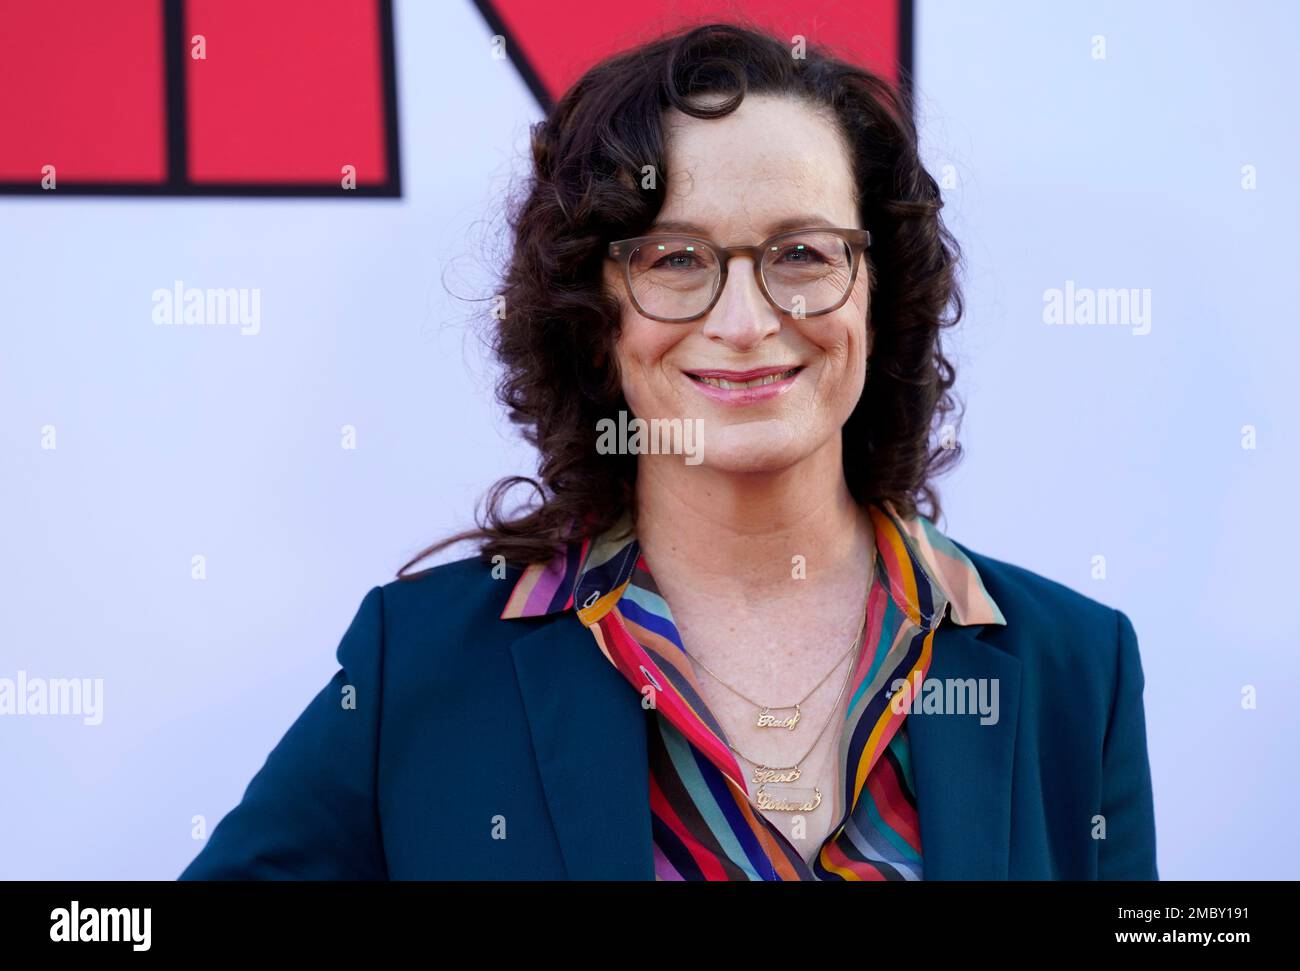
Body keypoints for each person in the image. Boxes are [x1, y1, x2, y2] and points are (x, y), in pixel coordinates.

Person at [180, 22, 1157, 881]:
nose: (744, 319)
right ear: (594, 314)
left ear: (878, 291)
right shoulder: (423, 664)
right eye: (675, 258)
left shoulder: (1071, 663)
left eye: (803, 253)